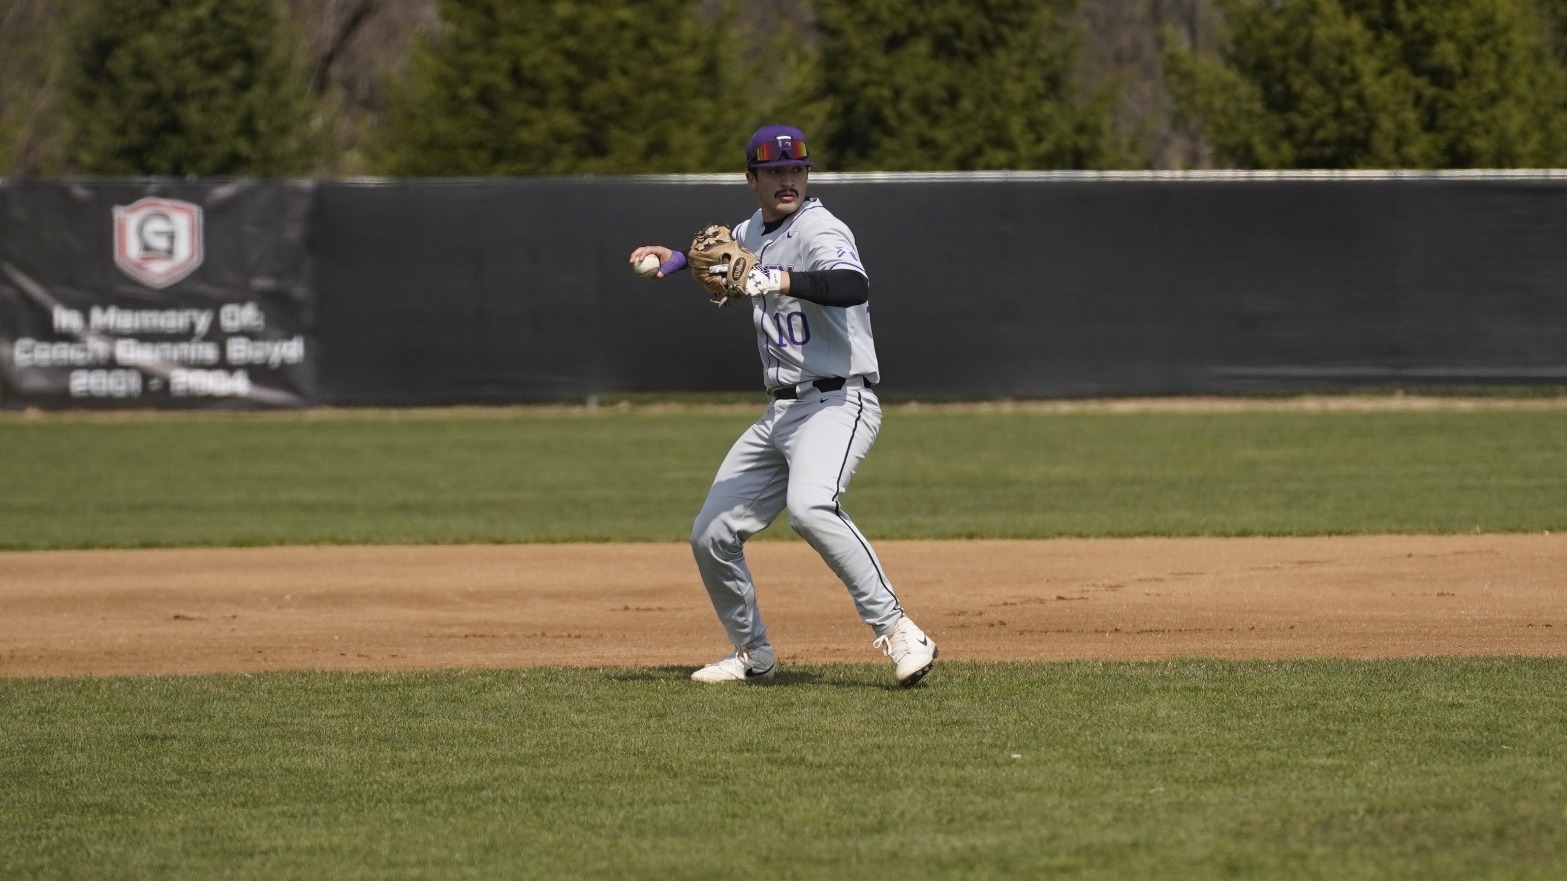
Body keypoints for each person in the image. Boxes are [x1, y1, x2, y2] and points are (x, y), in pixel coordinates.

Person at [628, 124, 937, 687]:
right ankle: (754, 656)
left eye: (796, 169)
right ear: (752, 179)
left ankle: (899, 630)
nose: (787, 179)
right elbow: (717, 256)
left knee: (811, 507)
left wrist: (776, 279)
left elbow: (851, 285)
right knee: (711, 534)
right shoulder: (752, 228)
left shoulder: (821, 227)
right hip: (780, 412)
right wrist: (671, 259)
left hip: (838, 400)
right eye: (774, 171)